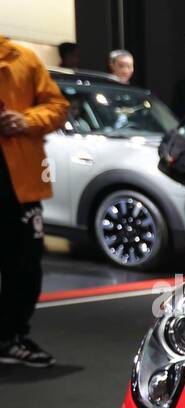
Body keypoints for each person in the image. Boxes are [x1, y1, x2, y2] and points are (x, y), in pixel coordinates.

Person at [0, 35, 69, 367]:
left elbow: (58, 107)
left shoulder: (22, 60)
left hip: (21, 188)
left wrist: (26, 120)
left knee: (26, 266)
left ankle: (12, 336)